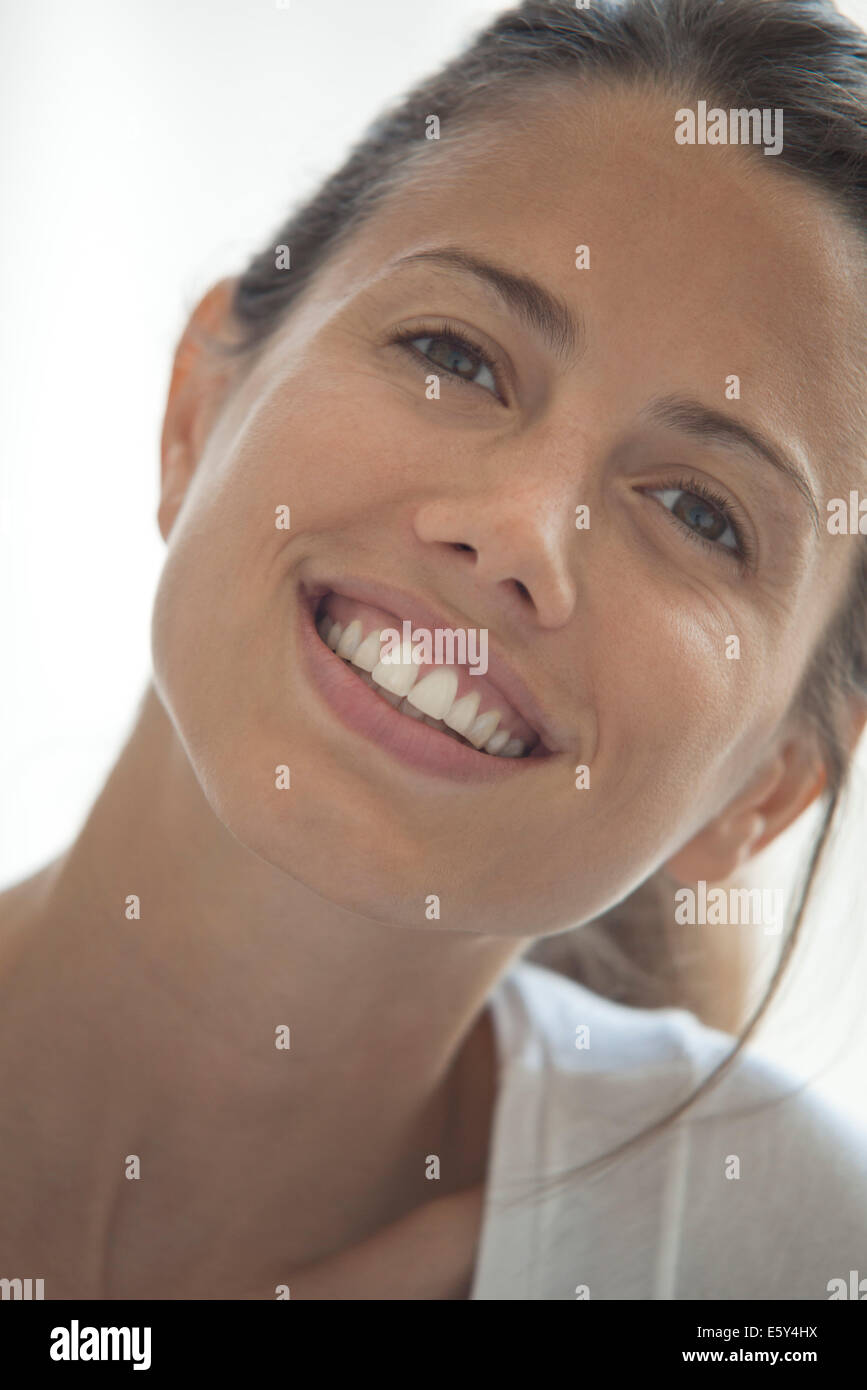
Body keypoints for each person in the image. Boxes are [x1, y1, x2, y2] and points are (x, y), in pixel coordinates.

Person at [2, 0, 867, 1300]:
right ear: (200, 407)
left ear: (766, 793)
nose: (519, 530)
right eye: (454, 353)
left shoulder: (794, 1267)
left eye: (700, 512)